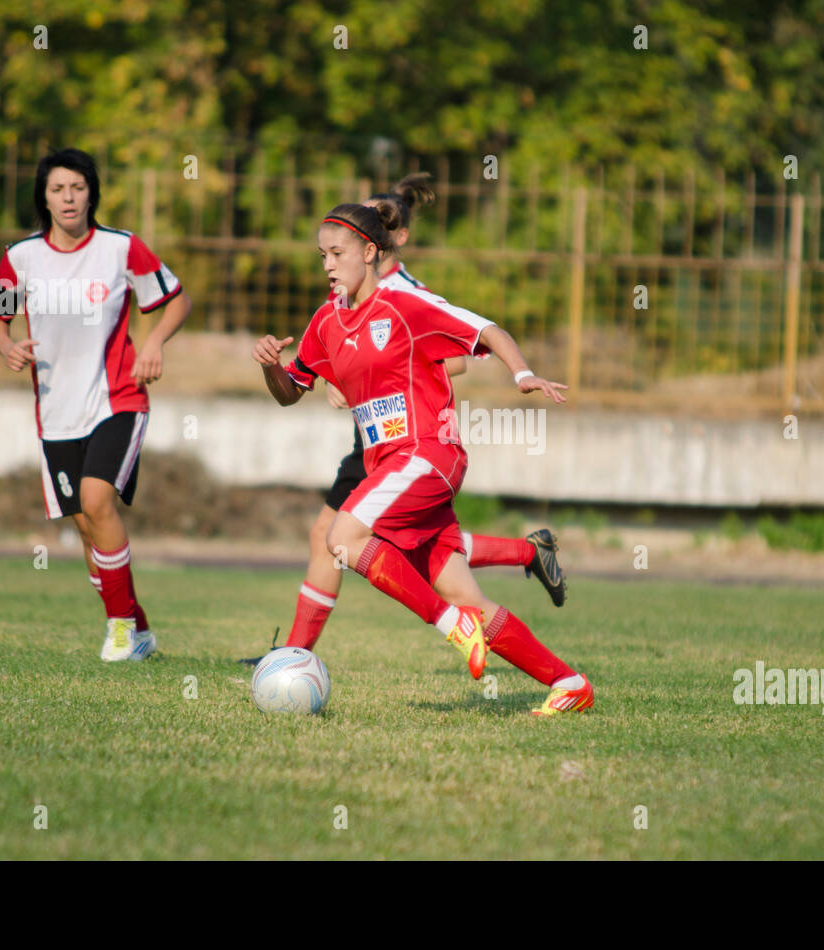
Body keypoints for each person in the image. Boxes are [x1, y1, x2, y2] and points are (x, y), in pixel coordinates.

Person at [253, 200, 592, 715]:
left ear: (369, 252)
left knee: (340, 537)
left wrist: (522, 373)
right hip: (389, 466)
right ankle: (570, 684)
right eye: (321, 254)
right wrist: (271, 368)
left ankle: (450, 626)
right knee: (468, 599)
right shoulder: (325, 322)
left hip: (428, 455)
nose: (327, 264)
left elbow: (486, 330)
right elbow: (289, 391)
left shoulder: (403, 305)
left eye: (336, 252)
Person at [0, 148, 191, 661]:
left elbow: (176, 300)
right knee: (85, 526)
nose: (69, 197)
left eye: (77, 187)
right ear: (45, 198)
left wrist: (154, 342)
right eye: (58, 189)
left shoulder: (121, 248)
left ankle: (120, 628)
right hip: (56, 413)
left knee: (99, 503)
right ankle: (138, 628)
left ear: (92, 193)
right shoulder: (22, 257)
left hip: (118, 399)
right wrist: (6, 346)